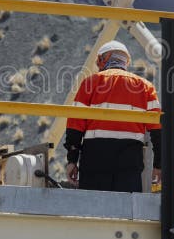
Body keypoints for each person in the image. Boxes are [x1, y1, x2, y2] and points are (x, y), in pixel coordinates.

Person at [64, 40, 163, 192]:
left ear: (103, 59)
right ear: (126, 61)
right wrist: (159, 165)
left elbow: (74, 127)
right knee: (125, 213)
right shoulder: (145, 87)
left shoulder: (90, 83)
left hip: (95, 159)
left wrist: (72, 160)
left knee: (93, 212)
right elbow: (158, 131)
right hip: (129, 161)